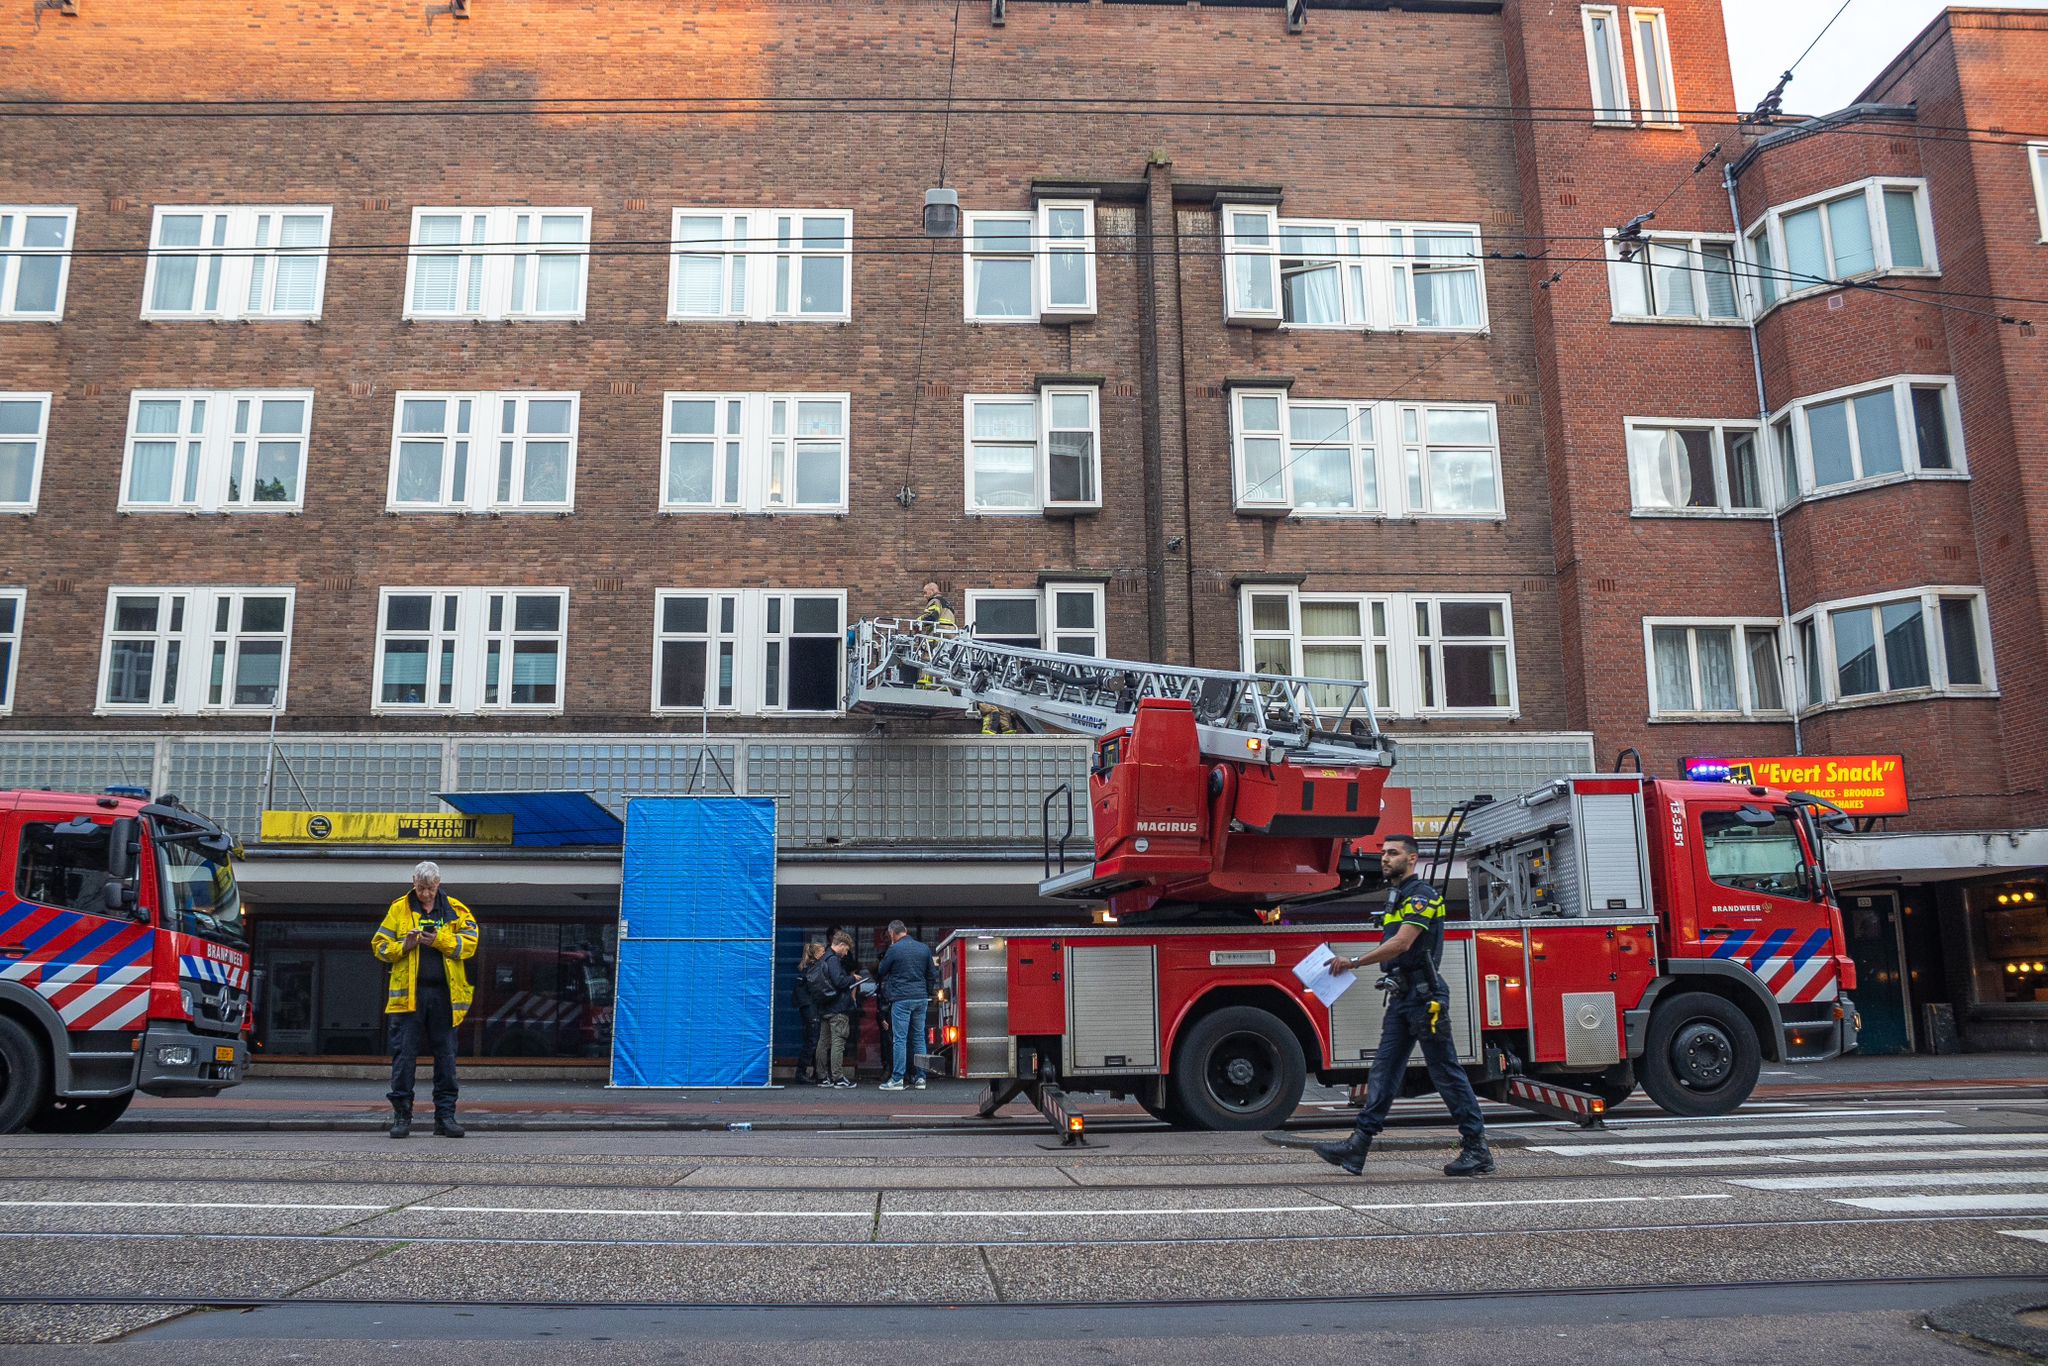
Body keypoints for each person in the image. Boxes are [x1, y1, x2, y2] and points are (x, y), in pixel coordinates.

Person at [1313, 834, 1492, 1178]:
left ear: (1411, 859)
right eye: (1383, 853)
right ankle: (1358, 1146)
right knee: (1383, 1070)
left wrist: (1353, 961)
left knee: (1445, 1073)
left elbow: (1402, 943)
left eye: (1393, 853)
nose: (1384, 858)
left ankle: (1477, 1148)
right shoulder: (1398, 896)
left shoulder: (1421, 896)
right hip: (1403, 997)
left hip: (1425, 999)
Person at [371, 861, 479, 1140]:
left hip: (444, 995)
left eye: (430, 888)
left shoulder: (456, 909)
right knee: (404, 1058)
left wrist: (439, 940)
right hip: (409, 996)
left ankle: (445, 1118)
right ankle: (402, 1117)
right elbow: (379, 947)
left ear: (438, 883)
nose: (426, 894)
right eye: (421, 888)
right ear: (413, 882)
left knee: (447, 1059)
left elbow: (470, 944)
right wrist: (404, 945)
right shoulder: (399, 909)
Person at [875, 919, 940, 1091]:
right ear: (905, 931)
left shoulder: (894, 949)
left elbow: (881, 971)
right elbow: (932, 974)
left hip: (901, 998)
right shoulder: (923, 948)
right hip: (920, 998)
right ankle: (921, 1078)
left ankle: (897, 1078)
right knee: (919, 1038)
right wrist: (926, 992)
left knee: (900, 1039)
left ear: (892, 933)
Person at [809, 932, 864, 1088]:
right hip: (837, 1008)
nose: (846, 953)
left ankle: (821, 1077)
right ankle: (838, 1078)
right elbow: (839, 982)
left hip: (825, 1006)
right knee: (838, 1042)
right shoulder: (833, 959)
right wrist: (853, 978)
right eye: (846, 949)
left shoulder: (823, 957)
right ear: (841, 945)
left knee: (823, 1043)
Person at [792, 940, 827, 1084]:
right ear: (817, 954)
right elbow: (817, 989)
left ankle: (809, 1072)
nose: (824, 954)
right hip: (811, 1008)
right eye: (822, 952)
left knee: (811, 1040)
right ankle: (802, 1073)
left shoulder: (806, 968)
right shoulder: (814, 969)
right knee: (812, 1041)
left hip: (806, 1008)